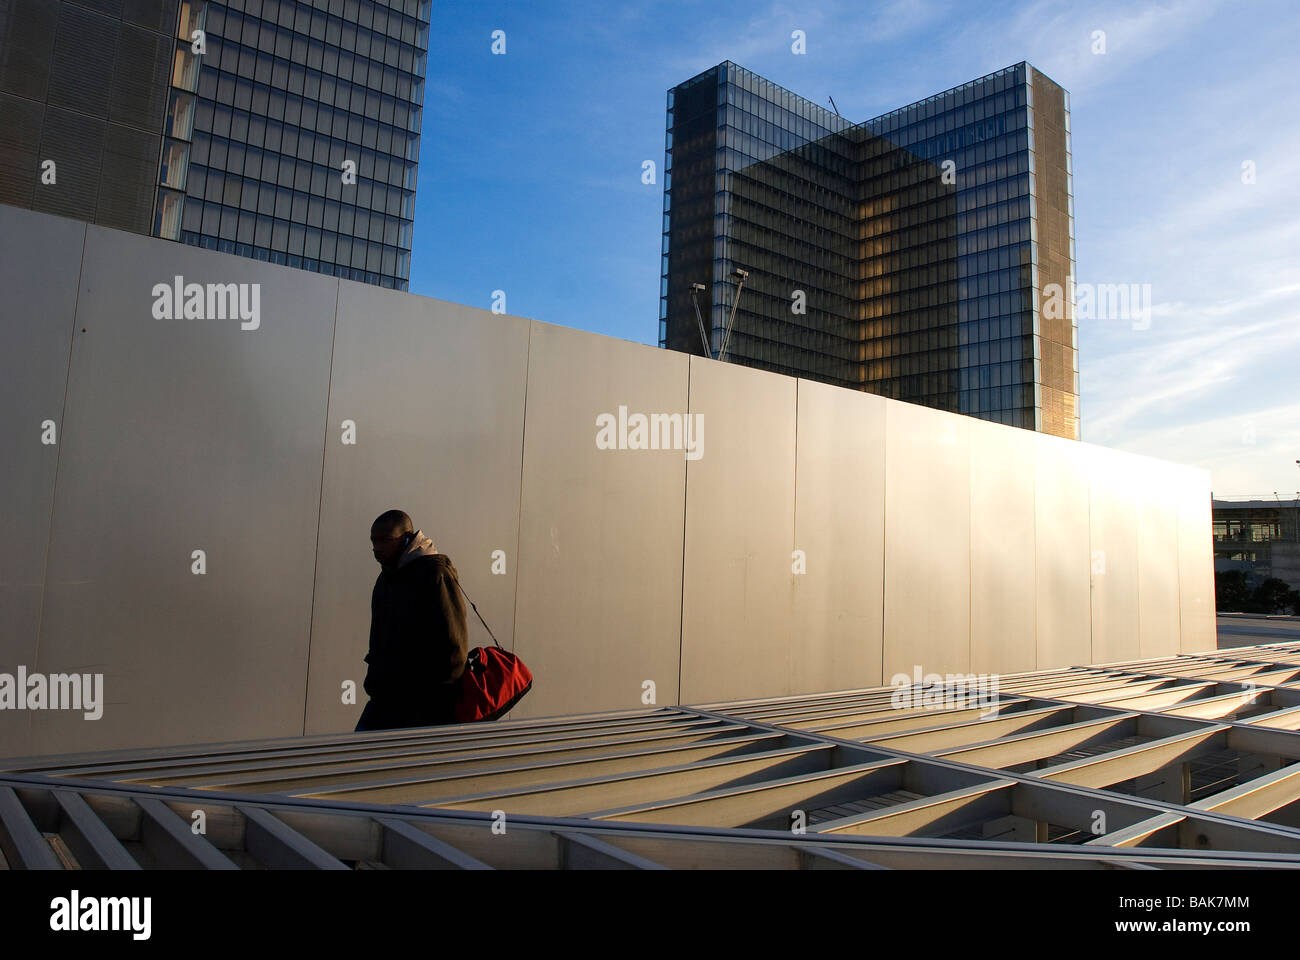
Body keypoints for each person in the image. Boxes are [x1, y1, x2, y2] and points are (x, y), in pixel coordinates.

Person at [354, 509, 468, 732]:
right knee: (356, 762)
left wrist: (434, 699)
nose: (377, 549)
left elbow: (454, 646)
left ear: (406, 538)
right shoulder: (386, 577)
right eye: (373, 541)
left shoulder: (435, 574)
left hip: (421, 707)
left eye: (385, 541)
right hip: (385, 699)